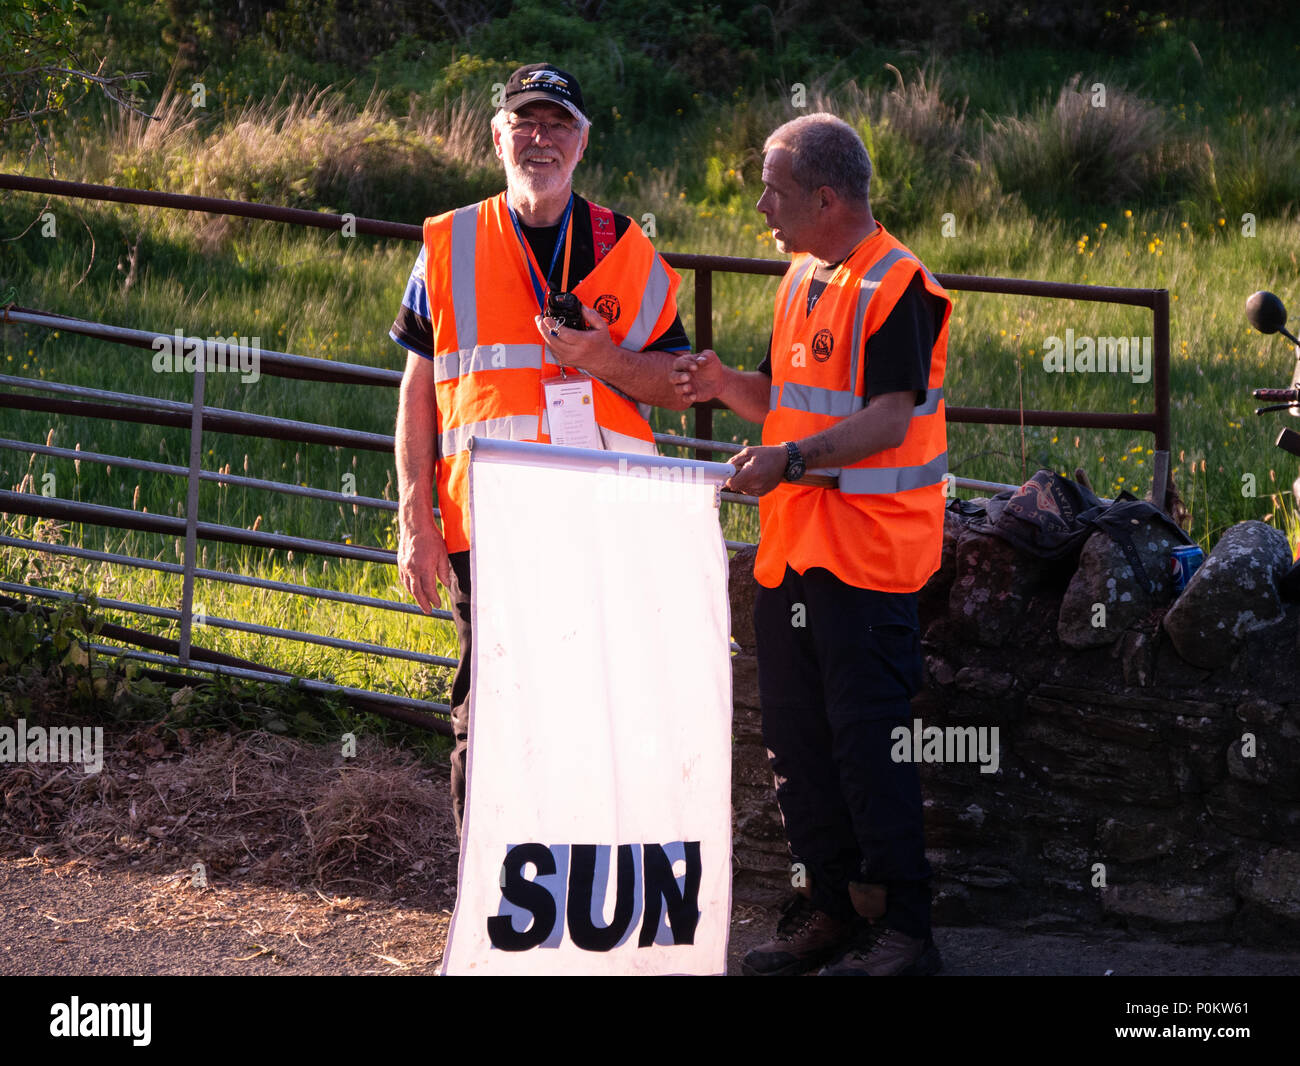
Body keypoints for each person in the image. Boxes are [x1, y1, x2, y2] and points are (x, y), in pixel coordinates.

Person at [671, 113, 950, 976]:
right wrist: (726, 387)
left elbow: (888, 417)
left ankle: (907, 933)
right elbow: (785, 396)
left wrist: (787, 459)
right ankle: (829, 910)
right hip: (792, 554)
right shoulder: (804, 276)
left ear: (827, 198)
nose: (762, 206)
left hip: (866, 561)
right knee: (797, 748)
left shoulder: (899, 282)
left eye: (776, 191)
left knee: (869, 749)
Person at [391, 63, 695, 836]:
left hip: (602, 524)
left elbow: (679, 385)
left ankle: (568, 891)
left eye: (557, 124)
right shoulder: (450, 241)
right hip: (485, 527)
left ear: (583, 143)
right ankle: (486, 905)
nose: (539, 138)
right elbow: (417, 393)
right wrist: (414, 520)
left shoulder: (621, 244)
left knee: (593, 707)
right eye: (524, 122)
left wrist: (602, 359)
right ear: (498, 136)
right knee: (490, 709)